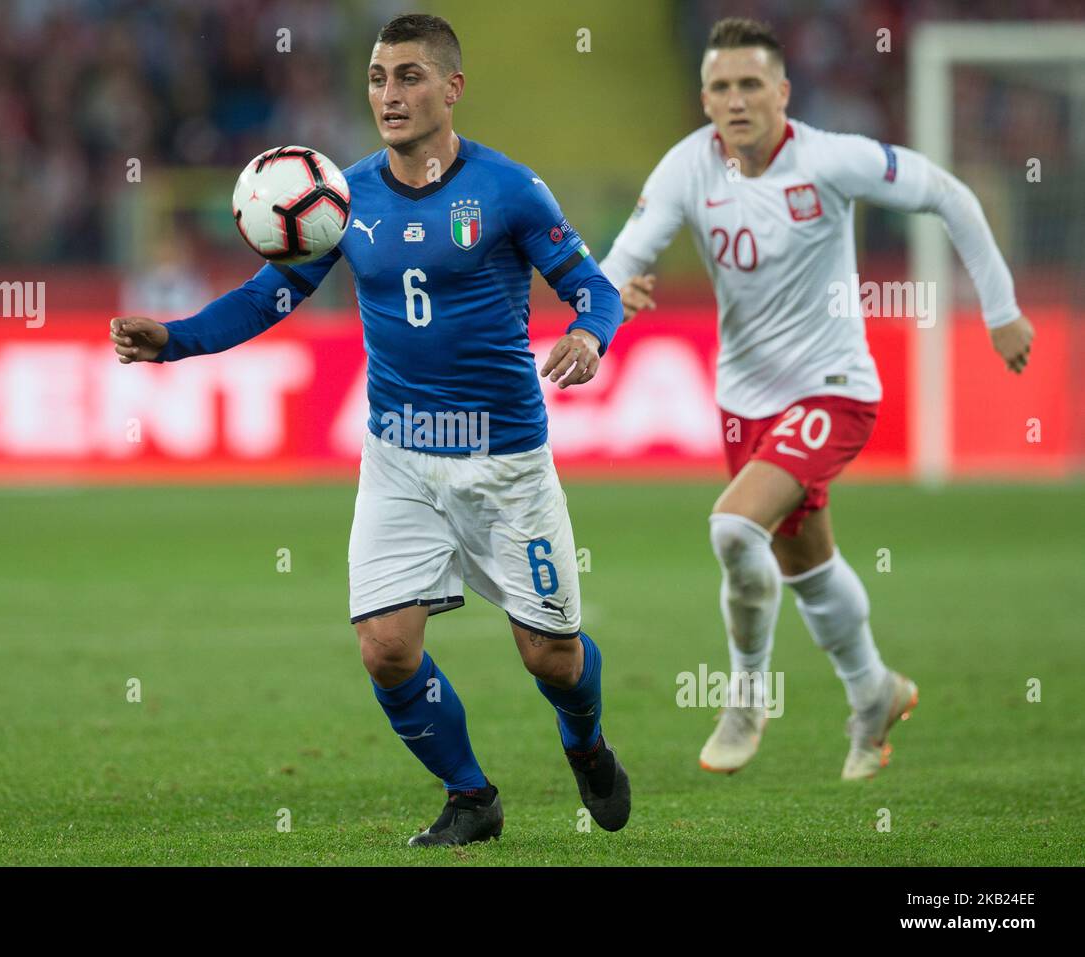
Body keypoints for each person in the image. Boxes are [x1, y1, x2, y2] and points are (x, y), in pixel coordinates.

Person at [111, 14, 630, 842]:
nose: (390, 93)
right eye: (380, 77)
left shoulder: (507, 190)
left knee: (552, 658)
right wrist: (174, 341)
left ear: (452, 89)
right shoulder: (342, 199)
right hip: (399, 457)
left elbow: (595, 289)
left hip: (505, 463)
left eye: (411, 76)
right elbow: (265, 297)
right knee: (386, 648)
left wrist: (588, 333)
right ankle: (472, 796)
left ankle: (587, 740)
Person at [600, 17, 1033, 780]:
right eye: (722, 87)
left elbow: (951, 195)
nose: (737, 101)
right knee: (805, 562)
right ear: (703, 98)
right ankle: (873, 691)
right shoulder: (684, 170)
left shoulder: (831, 160)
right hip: (745, 400)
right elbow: (618, 265)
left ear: (783, 93)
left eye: (751, 85)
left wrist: (1000, 310)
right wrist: (613, 300)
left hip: (835, 390)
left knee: (734, 529)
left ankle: (747, 696)